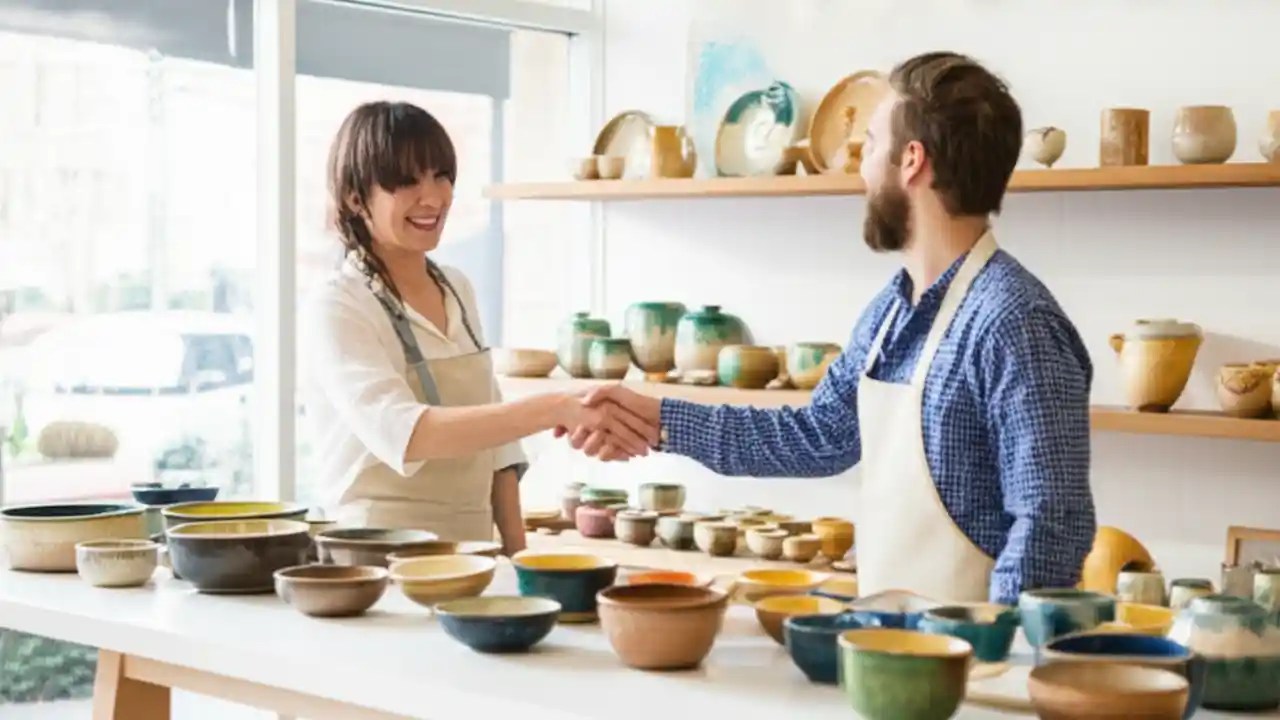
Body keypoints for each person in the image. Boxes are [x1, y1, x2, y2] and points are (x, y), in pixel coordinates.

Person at [562, 52, 1096, 605]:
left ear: (912, 161)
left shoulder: (1016, 322)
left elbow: (1051, 526)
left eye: (870, 143)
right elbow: (821, 436)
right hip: (888, 651)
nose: (860, 167)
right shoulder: (892, 309)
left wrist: (997, 655)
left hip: (972, 667)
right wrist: (659, 418)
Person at [304, 101, 655, 554]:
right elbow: (407, 435)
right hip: (376, 554)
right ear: (356, 198)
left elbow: (499, 453)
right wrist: (554, 408)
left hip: (468, 552)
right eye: (407, 183)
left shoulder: (456, 288)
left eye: (441, 176)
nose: (432, 197)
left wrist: (517, 554)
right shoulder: (339, 303)